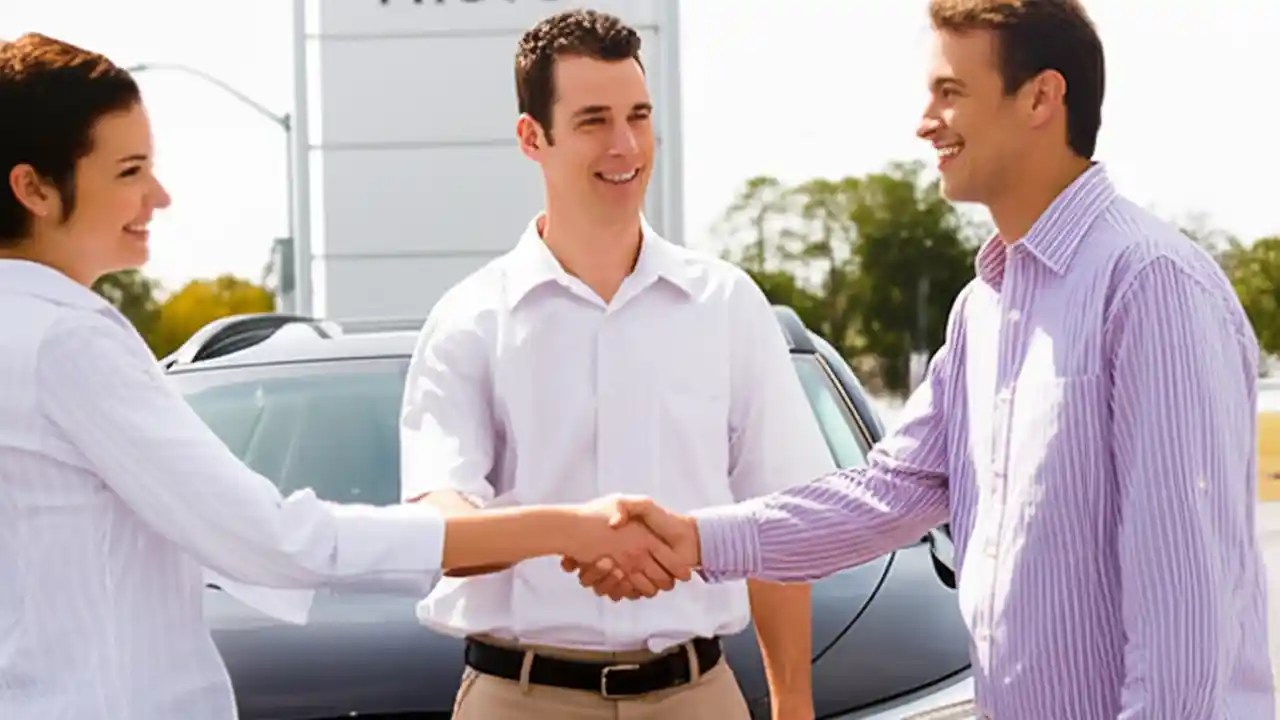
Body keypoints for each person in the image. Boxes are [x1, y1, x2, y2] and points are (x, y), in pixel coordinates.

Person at [578, 1, 1277, 718]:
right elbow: (884, 494)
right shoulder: (983, 310)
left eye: (951, 92)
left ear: (1041, 97)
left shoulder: (1150, 284)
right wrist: (694, 538)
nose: (925, 121)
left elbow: (1185, 613)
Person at [0, 32, 687, 720]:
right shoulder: (69, 343)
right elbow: (278, 540)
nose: (160, 195)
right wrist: (564, 528)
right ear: (32, 187)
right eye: (128, 171)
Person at [398, 8, 833, 719]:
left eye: (639, 114)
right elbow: (442, 530)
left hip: (699, 696)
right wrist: (578, 532)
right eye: (595, 120)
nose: (626, 144)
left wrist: (792, 705)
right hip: (520, 699)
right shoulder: (468, 319)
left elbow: (777, 525)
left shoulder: (726, 305)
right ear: (531, 138)